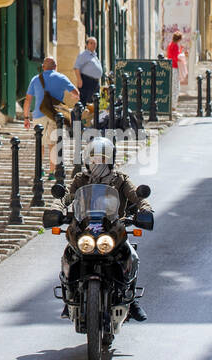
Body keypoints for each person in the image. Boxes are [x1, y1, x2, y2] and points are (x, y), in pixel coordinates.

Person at [62, 135, 150, 321]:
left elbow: (135, 196)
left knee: (131, 256)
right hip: (85, 227)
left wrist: (145, 209)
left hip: (112, 227)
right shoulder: (80, 179)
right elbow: (67, 198)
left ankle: (131, 300)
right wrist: (56, 208)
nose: (97, 162)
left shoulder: (120, 180)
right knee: (69, 254)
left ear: (109, 160)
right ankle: (69, 296)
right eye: (94, 158)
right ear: (87, 159)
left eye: (102, 158)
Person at [23, 56, 79, 173]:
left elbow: (28, 100)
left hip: (39, 115)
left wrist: (26, 117)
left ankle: (39, 170)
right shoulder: (62, 78)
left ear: (43, 67)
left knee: (40, 143)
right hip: (55, 116)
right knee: (53, 144)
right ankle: (52, 172)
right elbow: (75, 93)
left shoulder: (36, 79)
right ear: (55, 67)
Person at [73, 37, 103, 109]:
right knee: (84, 103)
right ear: (86, 45)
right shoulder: (84, 55)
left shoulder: (94, 55)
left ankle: (92, 119)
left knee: (94, 102)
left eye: (95, 43)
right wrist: (79, 80)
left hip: (95, 82)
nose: (93, 45)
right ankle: (80, 120)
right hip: (86, 81)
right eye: (91, 43)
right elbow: (76, 67)